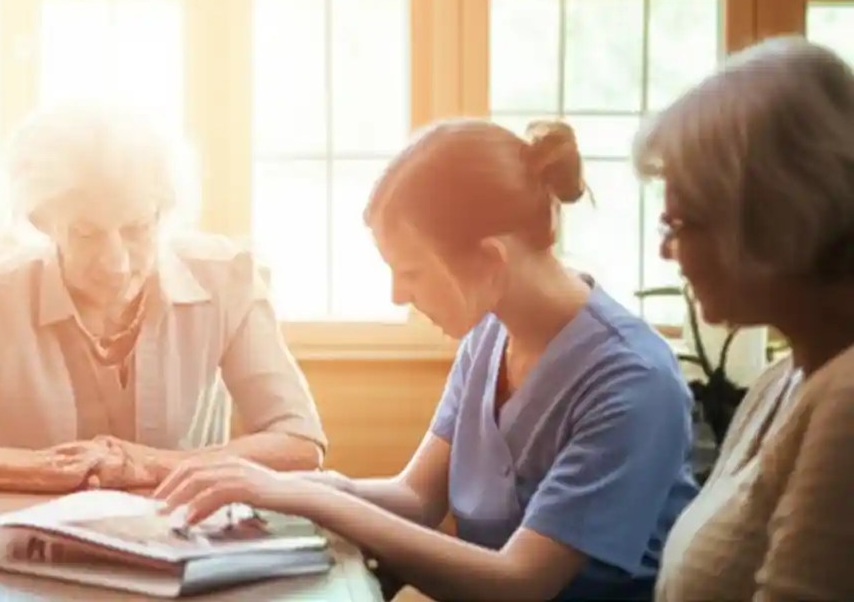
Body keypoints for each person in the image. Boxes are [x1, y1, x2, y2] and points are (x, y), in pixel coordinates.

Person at [156, 119, 698, 600]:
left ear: (490, 258)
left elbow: (520, 582)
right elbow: (414, 496)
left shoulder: (633, 382)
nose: (397, 295)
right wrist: (266, 483)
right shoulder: (489, 336)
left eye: (411, 272)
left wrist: (301, 494)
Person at [0, 103, 326, 493]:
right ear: (42, 221)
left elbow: (299, 443)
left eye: (136, 229)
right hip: (14, 557)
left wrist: (147, 464)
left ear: (164, 212)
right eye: (87, 233)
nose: (116, 262)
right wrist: (40, 471)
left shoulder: (227, 280)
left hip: (182, 548)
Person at [633, 37, 854, 601]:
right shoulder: (782, 381)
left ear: (772, 213)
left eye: (679, 225)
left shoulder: (846, 399)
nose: (668, 252)